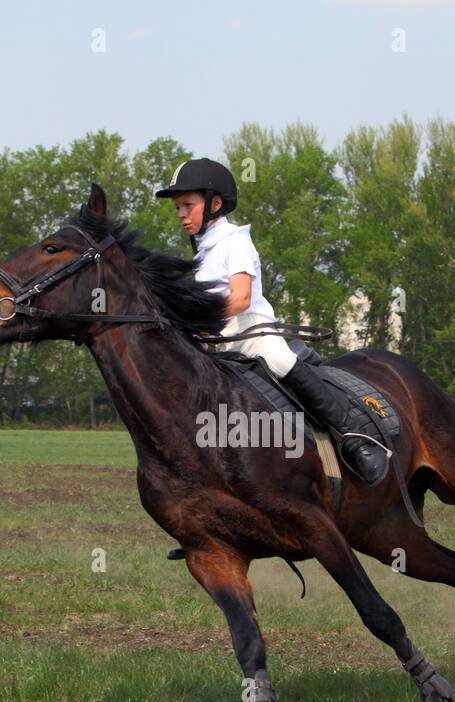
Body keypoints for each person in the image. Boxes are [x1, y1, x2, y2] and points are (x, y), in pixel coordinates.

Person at [155, 158, 386, 484]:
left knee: (280, 360)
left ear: (215, 204)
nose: (180, 213)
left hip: (248, 328)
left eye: (188, 205)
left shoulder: (234, 240)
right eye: (178, 207)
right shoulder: (202, 252)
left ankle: (357, 438)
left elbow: (240, 298)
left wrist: (200, 321)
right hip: (216, 336)